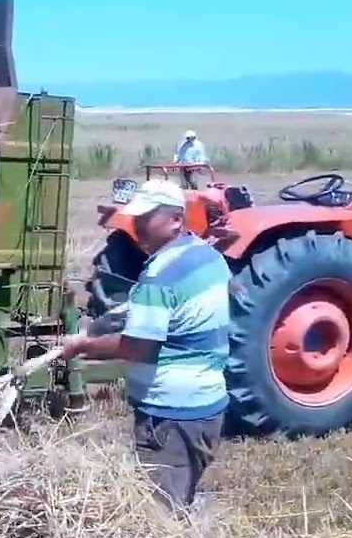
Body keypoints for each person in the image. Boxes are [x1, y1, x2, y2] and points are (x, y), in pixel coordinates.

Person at [61, 178, 230, 510]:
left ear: (176, 220)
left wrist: (82, 345)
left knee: (161, 516)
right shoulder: (208, 257)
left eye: (146, 218)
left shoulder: (159, 276)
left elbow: (137, 347)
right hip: (207, 408)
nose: (137, 226)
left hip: (170, 415)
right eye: (135, 218)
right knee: (182, 497)